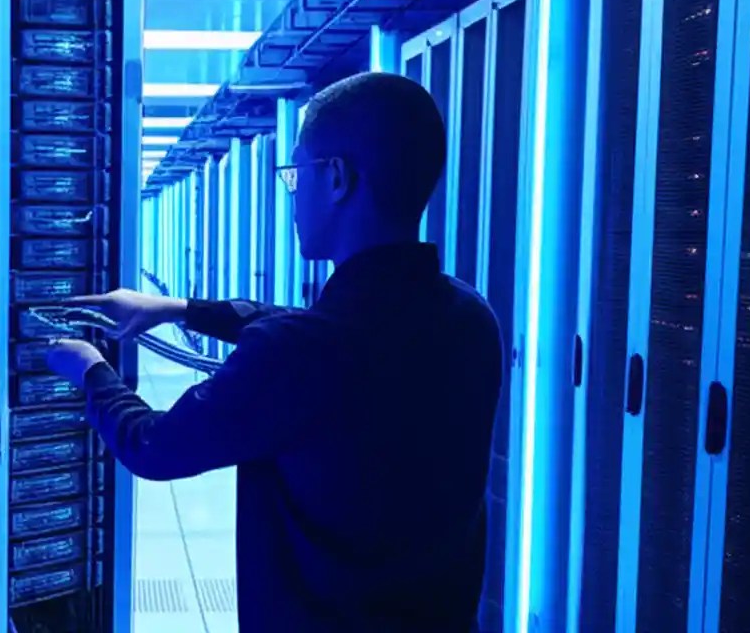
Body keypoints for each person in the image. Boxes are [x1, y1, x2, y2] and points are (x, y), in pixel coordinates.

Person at [46, 71, 505, 632]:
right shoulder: (470, 318)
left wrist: (90, 370)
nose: (293, 194)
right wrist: (173, 308)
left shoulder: (299, 356)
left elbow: (153, 446)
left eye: (296, 174)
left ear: (336, 178)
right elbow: (323, 334)